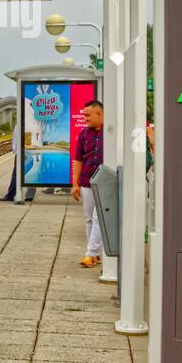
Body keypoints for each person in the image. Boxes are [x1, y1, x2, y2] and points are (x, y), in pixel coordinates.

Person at [71, 99, 104, 268]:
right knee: (89, 219)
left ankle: (90, 254)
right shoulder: (84, 134)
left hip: (105, 183)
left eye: (88, 115)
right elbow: (78, 159)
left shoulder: (111, 132)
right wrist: (75, 183)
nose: (85, 118)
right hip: (86, 182)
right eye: (84, 115)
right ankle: (95, 254)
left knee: (99, 218)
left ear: (100, 114)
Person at [1, 114, 36, 202]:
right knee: (28, 172)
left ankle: (11, 195)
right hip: (23, 151)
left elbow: (28, 137)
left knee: (18, 173)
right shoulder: (25, 121)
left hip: (24, 151)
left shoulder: (29, 122)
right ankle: (28, 195)